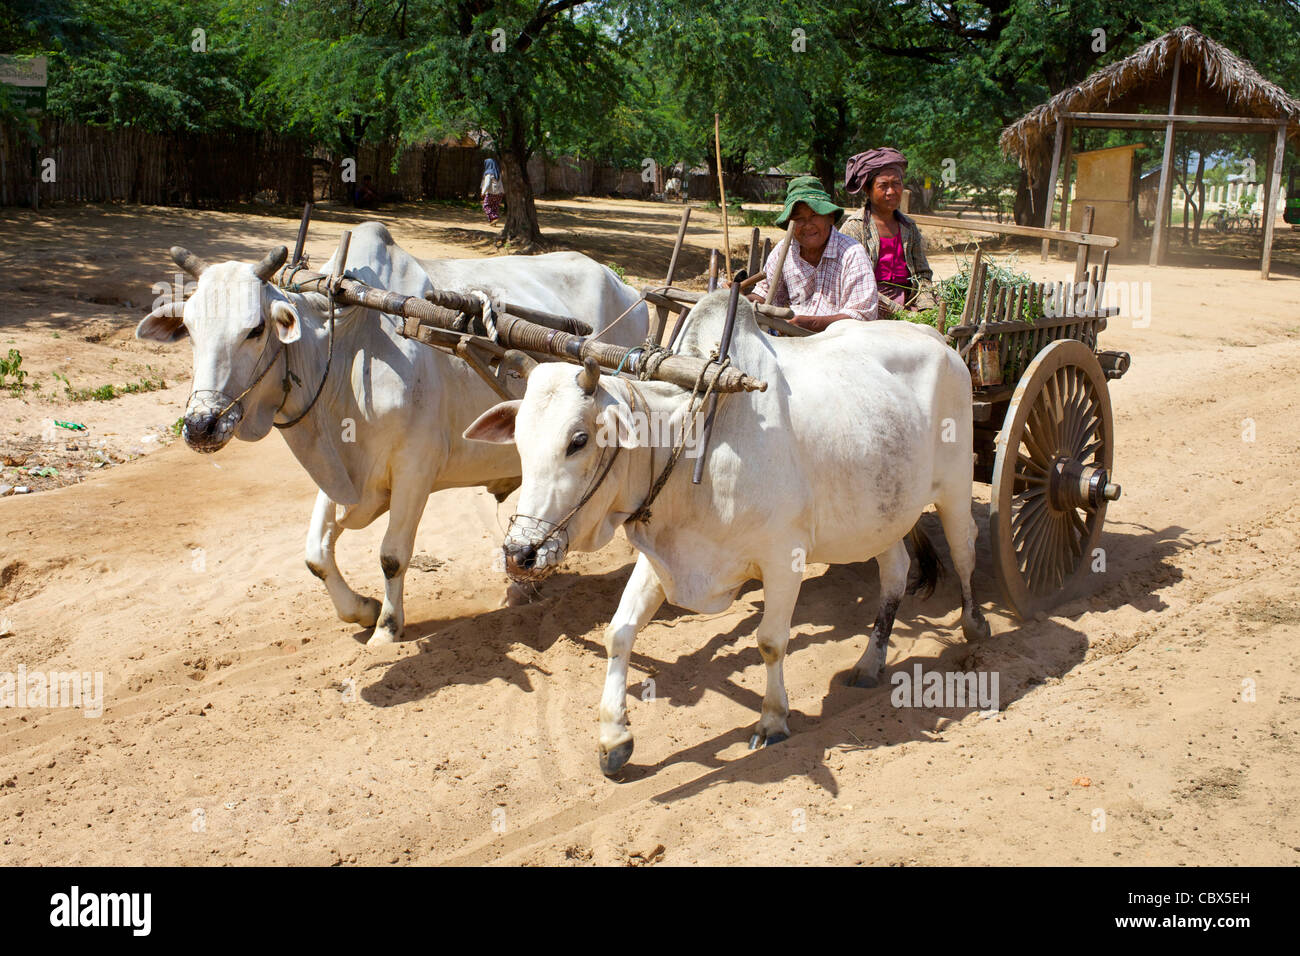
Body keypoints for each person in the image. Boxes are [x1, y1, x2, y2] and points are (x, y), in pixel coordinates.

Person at [748, 176, 878, 330]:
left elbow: (862, 316)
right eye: (798, 218)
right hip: (788, 338)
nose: (808, 225)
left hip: (837, 341)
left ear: (830, 217)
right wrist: (741, 300)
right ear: (789, 222)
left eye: (815, 215)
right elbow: (765, 294)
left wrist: (812, 324)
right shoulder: (784, 250)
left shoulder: (852, 253)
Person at [840, 147, 939, 315]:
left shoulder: (909, 227)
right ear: (867, 189)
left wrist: (926, 307)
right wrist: (900, 313)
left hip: (909, 303)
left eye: (896, 184)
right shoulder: (855, 228)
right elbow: (857, 285)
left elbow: (922, 274)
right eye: (883, 186)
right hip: (869, 306)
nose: (891, 192)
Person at [480, 158, 505, 224]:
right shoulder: (498, 173)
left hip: (491, 193)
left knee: (486, 205)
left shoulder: (488, 174)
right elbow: (501, 183)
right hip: (499, 193)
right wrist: (502, 192)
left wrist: (483, 192)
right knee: (495, 207)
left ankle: (494, 218)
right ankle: (493, 222)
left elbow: (487, 184)